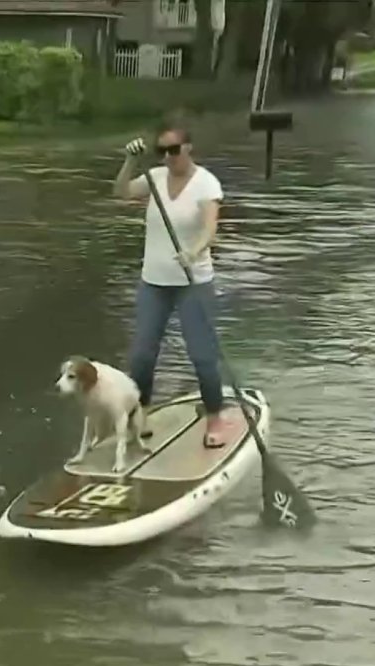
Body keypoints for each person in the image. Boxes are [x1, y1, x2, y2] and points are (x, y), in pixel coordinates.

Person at [111, 122, 234, 448]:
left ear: (188, 148)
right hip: (154, 282)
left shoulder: (206, 184)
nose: (168, 157)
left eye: (174, 150)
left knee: (202, 355)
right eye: (162, 151)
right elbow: (121, 192)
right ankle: (142, 415)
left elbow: (210, 228)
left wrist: (193, 252)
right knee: (141, 355)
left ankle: (215, 418)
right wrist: (129, 162)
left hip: (193, 283)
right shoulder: (155, 178)